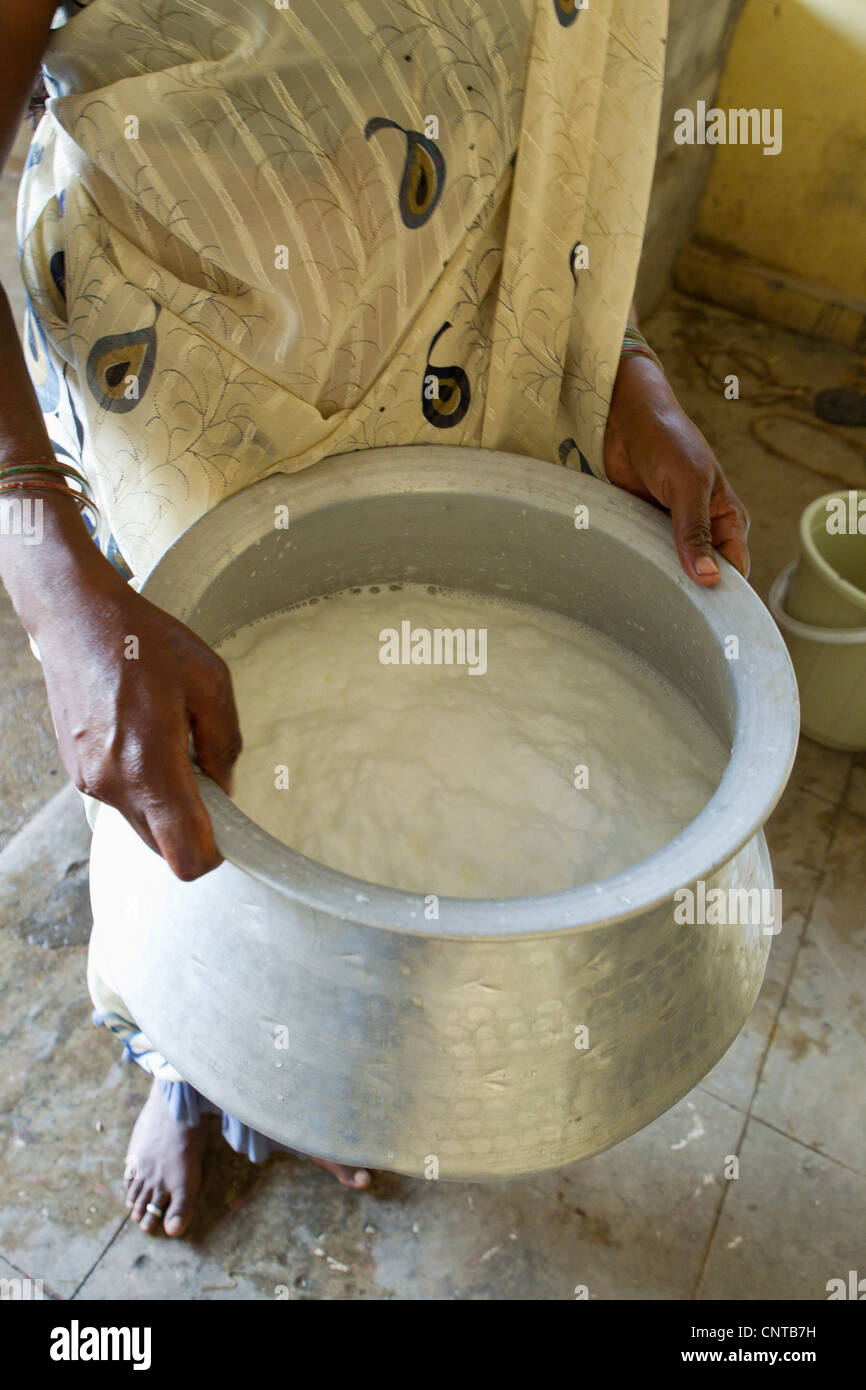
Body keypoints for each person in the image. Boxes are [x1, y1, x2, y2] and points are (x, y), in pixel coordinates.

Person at [0, 0, 749, 1237]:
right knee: (193, 787)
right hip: (182, 373)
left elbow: (534, 98)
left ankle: (329, 1070)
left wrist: (620, 366)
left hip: (479, 360)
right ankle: (192, 1068)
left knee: (407, 789)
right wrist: (55, 580)